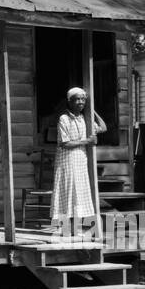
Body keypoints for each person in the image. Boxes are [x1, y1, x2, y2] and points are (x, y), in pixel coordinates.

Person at [51, 86, 106, 231]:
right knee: (66, 192)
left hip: (80, 160)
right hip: (67, 161)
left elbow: (103, 127)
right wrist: (87, 141)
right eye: (77, 99)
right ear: (69, 101)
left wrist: (92, 110)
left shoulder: (84, 119)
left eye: (83, 100)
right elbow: (65, 142)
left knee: (78, 193)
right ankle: (65, 229)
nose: (80, 102)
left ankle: (76, 228)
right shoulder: (64, 118)